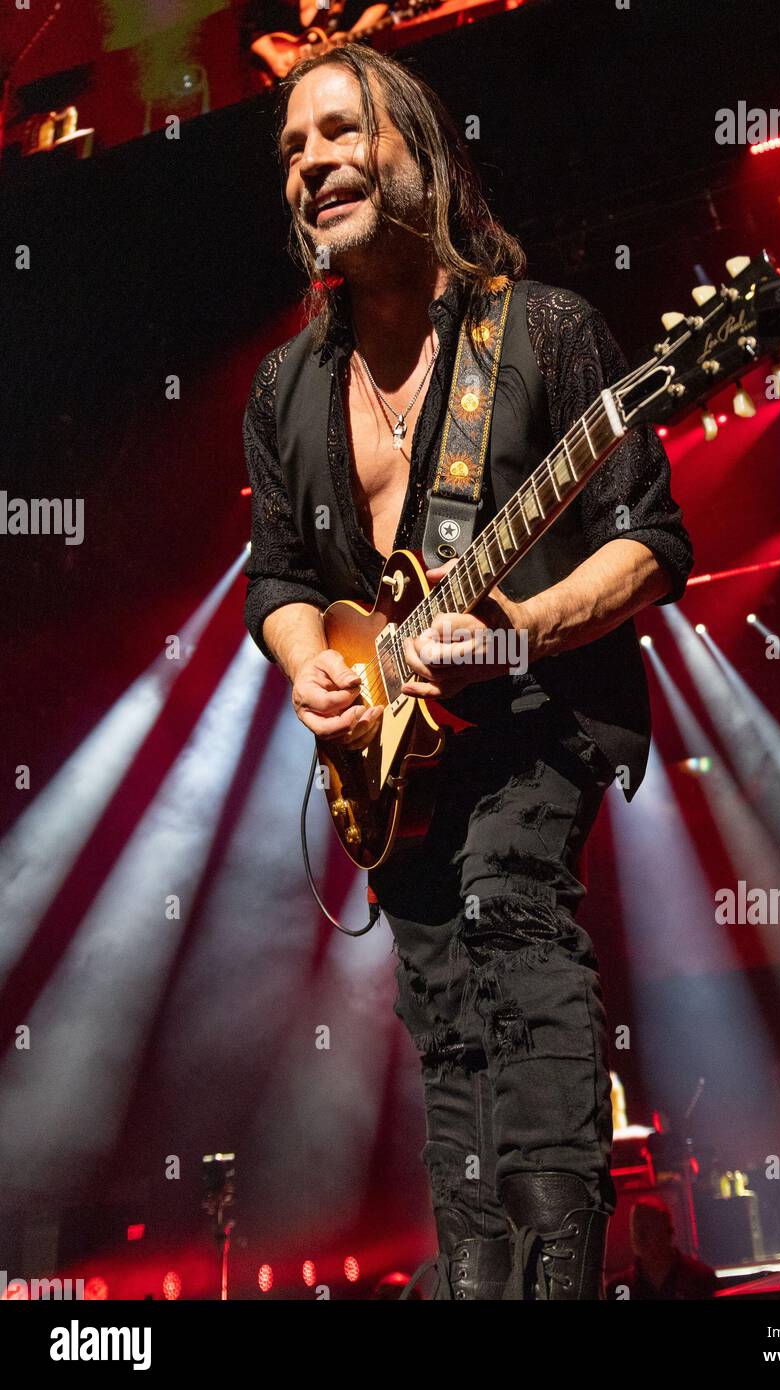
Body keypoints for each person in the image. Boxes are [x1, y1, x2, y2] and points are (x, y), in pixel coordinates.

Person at [241, 44, 693, 1299]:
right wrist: (309, 669)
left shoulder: (543, 332)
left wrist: (525, 622)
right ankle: (481, 1274)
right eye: (290, 149)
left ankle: (559, 1272)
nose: (310, 164)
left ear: (417, 155)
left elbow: (653, 542)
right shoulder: (285, 390)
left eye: (339, 133)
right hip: (403, 761)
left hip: (540, 717)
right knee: (442, 1009)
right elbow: (277, 582)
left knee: (510, 908)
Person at [241, 1, 390, 82]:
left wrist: (349, 35)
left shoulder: (325, 4)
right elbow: (251, 28)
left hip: (347, 75)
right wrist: (274, 58)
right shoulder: (278, 7)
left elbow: (378, 4)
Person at [608, 1196, 718, 1300]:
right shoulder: (617, 1288)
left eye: (646, 1228)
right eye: (635, 1229)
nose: (639, 1235)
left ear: (667, 1232)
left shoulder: (701, 1280)